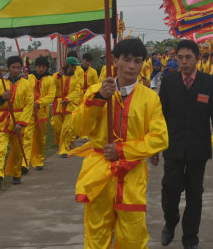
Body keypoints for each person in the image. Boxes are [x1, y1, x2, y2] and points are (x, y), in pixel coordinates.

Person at [69, 38, 168, 249]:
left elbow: (160, 138)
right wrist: (97, 100)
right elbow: (79, 128)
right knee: (96, 235)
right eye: (127, 60)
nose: (132, 66)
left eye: (138, 61)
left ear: (144, 64)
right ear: (115, 61)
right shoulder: (96, 90)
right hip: (99, 172)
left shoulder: (150, 98)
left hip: (132, 175)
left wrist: (123, 151)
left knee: (133, 237)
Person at [157, 40, 213, 249]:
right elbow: (159, 116)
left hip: (198, 146)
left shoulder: (209, 82)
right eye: (180, 58)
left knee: (194, 193)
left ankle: (190, 237)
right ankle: (170, 222)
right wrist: (154, 146)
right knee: (169, 188)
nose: (184, 62)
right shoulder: (169, 82)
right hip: (173, 145)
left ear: (197, 58)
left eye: (188, 57)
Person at [0, 55, 33, 188]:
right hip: (3, 120)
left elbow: (29, 105)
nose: (16, 70)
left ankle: (16, 173)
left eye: (18, 68)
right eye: (13, 67)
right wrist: (1, 98)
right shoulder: (0, 83)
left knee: (17, 150)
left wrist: (21, 122)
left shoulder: (26, 84)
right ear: (8, 68)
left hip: (19, 121)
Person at [24, 55, 57, 170]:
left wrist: (38, 103)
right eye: (39, 66)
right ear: (35, 66)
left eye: (43, 67)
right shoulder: (28, 77)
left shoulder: (50, 79)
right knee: (27, 136)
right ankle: (25, 162)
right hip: (28, 113)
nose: (41, 69)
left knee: (40, 138)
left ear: (46, 67)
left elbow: (51, 95)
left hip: (42, 112)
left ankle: (38, 160)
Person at [53, 55, 80, 157]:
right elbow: (52, 85)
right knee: (56, 127)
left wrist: (67, 99)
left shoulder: (76, 78)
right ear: (70, 66)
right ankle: (61, 141)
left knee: (67, 128)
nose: (76, 68)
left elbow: (77, 91)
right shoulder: (57, 75)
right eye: (75, 66)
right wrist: (58, 77)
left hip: (69, 105)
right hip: (58, 104)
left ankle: (63, 150)